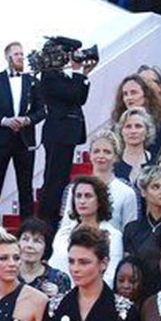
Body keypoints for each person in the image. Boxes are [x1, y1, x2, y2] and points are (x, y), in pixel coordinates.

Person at [0, 42, 45, 238]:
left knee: (25, 186)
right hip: (1, 140)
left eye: (22, 54)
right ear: (7, 57)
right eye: (16, 54)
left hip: (24, 140)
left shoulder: (33, 81)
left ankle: (27, 231)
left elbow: (41, 111)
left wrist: (27, 120)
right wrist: (4, 121)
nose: (20, 58)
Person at [37, 42, 94, 224]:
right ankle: (48, 219)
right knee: (55, 178)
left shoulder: (60, 75)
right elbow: (73, 95)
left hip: (64, 133)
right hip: (58, 133)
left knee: (61, 177)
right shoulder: (49, 76)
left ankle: (53, 216)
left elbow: (80, 98)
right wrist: (78, 72)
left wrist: (84, 74)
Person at [52, 175, 125, 276]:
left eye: (88, 196)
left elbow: (111, 275)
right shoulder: (63, 234)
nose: (82, 201)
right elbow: (54, 266)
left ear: (99, 201)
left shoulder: (113, 236)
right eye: (78, 196)